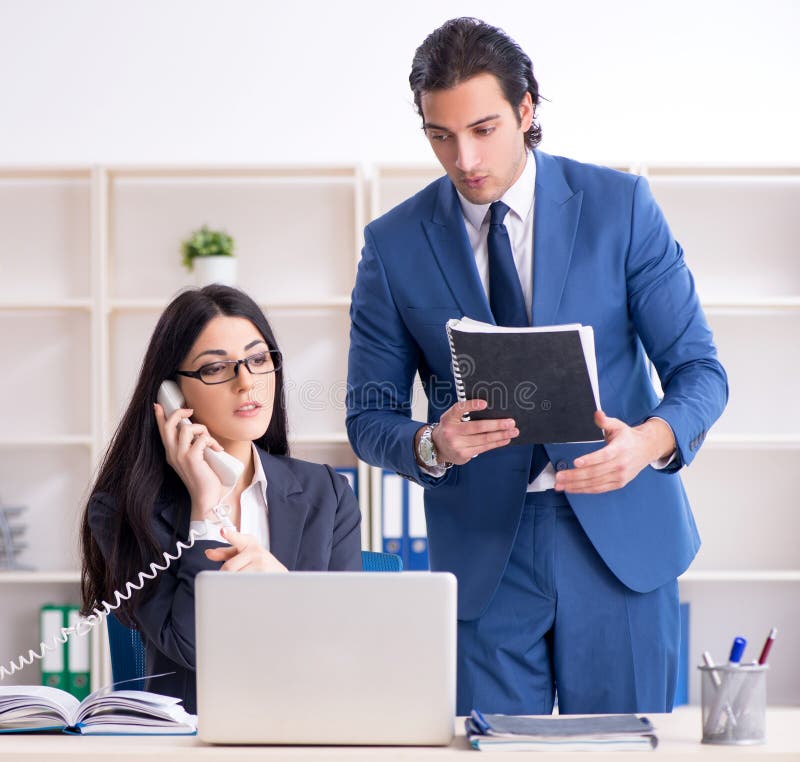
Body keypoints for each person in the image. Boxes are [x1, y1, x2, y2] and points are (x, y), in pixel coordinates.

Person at [347, 17, 728, 715]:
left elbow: (701, 371)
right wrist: (431, 443)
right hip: (487, 557)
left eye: (484, 129)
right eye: (440, 136)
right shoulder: (393, 244)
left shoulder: (622, 208)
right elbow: (367, 413)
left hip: (619, 540)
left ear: (526, 111)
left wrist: (647, 443)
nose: (464, 159)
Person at [81, 285, 362, 713]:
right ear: (172, 394)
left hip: (309, 730)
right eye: (215, 368)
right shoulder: (123, 511)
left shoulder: (329, 494)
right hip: (192, 743)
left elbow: (350, 649)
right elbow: (190, 647)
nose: (246, 382)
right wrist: (205, 510)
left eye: (258, 359)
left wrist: (285, 588)